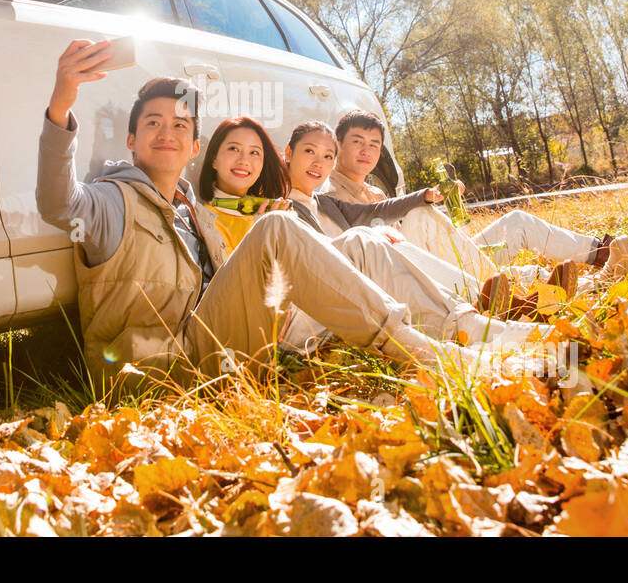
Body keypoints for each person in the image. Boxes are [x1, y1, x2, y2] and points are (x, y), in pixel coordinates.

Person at [35, 39, 519, 393]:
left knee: (362, 243)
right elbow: (59, 204)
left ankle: (475, 329)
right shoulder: (112, 197)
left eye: (180, 125)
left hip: (223, 339)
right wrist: (61, 105)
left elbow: (229, 281)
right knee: (279, 229)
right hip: (164, 367)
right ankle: (422, 353)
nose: (167, 132)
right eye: (153, 124)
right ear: (132, 141)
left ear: (194, 146)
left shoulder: (191, 210)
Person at [194, 115, 554, 350]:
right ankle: (470, 317)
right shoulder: (208, 214)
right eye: (234, 150)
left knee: (374, 236)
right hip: (276, 324)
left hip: (309, 302)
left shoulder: (268, 206)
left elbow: (372, 211)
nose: (245, 160)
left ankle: (473, 322)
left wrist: (424, 198)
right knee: (365, 240)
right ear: (211, 158)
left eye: (255, 153)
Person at [324, 110, 628, 288]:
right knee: (516, 277)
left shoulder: (377, 192)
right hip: (431, 276)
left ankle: (616, 255)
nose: (367, 151)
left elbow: (428, 233)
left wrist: (442, 206)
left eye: (374, 144)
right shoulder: (330, 197)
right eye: (357, 142)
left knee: (517, 221)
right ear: (337, 146)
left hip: (453, 258)